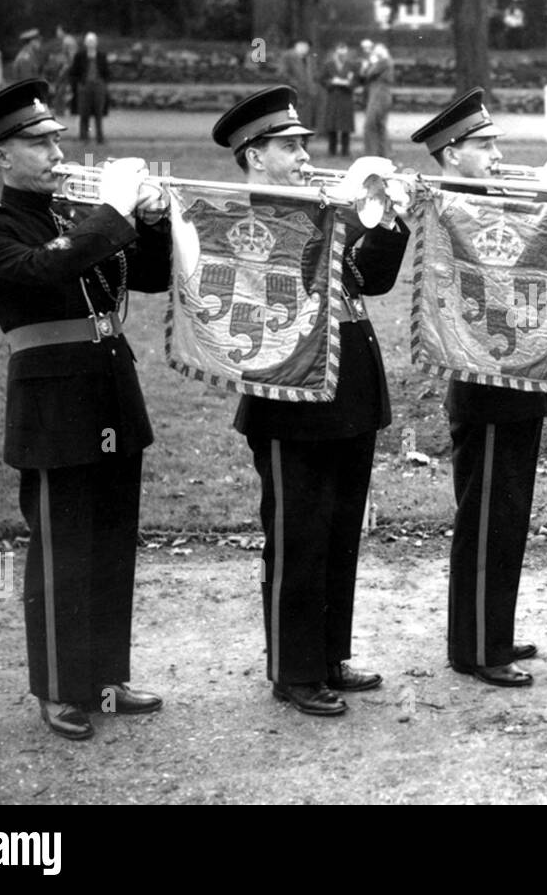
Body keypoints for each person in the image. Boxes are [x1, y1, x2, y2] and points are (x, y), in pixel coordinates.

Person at [0, 79, 170, 740]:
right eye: (39, 142)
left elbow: (152, 277)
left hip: (110, 390)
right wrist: (112, 211)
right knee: (61, 549)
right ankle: (56, 686)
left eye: (57, 140)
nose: (56, 152)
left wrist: (154, 218)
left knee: (110, 545)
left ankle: (105, 680)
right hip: (54, 405)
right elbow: (43, 273)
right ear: (2, 155)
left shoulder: (78, 217)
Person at [212, 86, 409, 716]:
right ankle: (293, 671)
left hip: (346, 385)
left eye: (304, 145)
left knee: (338, 530)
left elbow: (367, 279)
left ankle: (328, 655)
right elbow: (286, 279)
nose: (303, 156)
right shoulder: (245, 216)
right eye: (288, 147)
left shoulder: (323, 206)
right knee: (297, 535)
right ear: (253, 156)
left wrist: (385, 219)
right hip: (287, 398)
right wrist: (346, 208)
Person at [410, 88, 547, 687]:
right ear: (451, 153)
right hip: (484, 387)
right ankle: (474, 649)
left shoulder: (491, 199)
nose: (496, 154)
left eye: (496, 144)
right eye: (484, 145)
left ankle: (492, 632)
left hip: (519, 382)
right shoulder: (450, 206)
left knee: (508, 515)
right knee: (486, 519)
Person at [318, 41, 360, 157]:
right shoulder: (329, 64)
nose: (342, 54)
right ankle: (332, 150)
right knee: (332, 125)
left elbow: (357, 80)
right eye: (339, 51)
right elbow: (322, 79)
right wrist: (332, 82)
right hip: (333, 97)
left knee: (346, 126)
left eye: (344, 51)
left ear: (347, 52)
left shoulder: (352, 65)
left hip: (346, 97)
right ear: (336, 52)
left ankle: (345, 151)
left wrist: (349, 84)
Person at [68, 32, 110, 144]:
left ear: (96, 43)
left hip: (98, 86)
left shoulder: (101, 56)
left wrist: (103, 84)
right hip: (84, 86)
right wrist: (79, 84)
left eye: (93, 42)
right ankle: (84, 137)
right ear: (86, 43)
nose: (91, 44)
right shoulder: (80, 56)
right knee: (84, 113)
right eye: (89, 42)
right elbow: (73, 72)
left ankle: (100, 137)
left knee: (99, 113)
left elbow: (107, 72)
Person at [361, 40, 393, 157]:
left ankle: (373, 153)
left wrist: (370, 63)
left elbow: (368, 73)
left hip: (379, 95)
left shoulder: (383, 62)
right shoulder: (385, 62)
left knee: (371, 124)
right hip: (380, 94)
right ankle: (382, 153)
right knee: (379, 125)